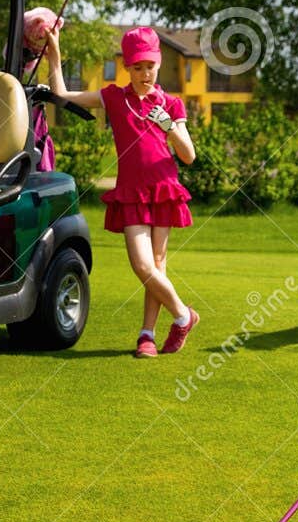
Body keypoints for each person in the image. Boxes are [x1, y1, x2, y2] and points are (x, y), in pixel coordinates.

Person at [43, 25, 199, 357]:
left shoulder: (171, 104)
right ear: (127, 66)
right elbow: (61, 95)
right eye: (138, 66)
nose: (145, 73)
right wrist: (55, 52)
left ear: (158, 65)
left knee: (157, 264)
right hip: (131, 191)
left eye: (151, 66)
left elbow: (188, 155)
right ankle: (184, 315)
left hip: (164, 188)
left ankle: (147, 335)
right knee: (143, 265)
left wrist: (168, 126)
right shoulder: (114, 97)